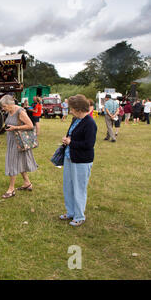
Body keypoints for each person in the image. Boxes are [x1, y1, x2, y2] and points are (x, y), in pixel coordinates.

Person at [60, 94, 97, 227]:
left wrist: (71, 142)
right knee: (68, 187)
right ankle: (70, 212)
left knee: (79, 189)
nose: (70, 111)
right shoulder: (76, 120)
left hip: (82, 161)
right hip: (70, 157)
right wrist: (67, 139)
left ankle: (79, 216)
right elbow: (72, 134)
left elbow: (88, 144)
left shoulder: (90, 123)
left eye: (72, 109)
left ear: (79, 109)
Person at [0, 95, 38, 199]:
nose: (3, 109)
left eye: (4, 106)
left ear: (11, 104)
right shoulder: (9, 111)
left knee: (12, 163)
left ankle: (11, 189)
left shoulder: (20, 112)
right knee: (18, 162)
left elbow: (30, 125)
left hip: (18, 141)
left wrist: (15, 127)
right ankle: (27, 183)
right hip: (12, 140)